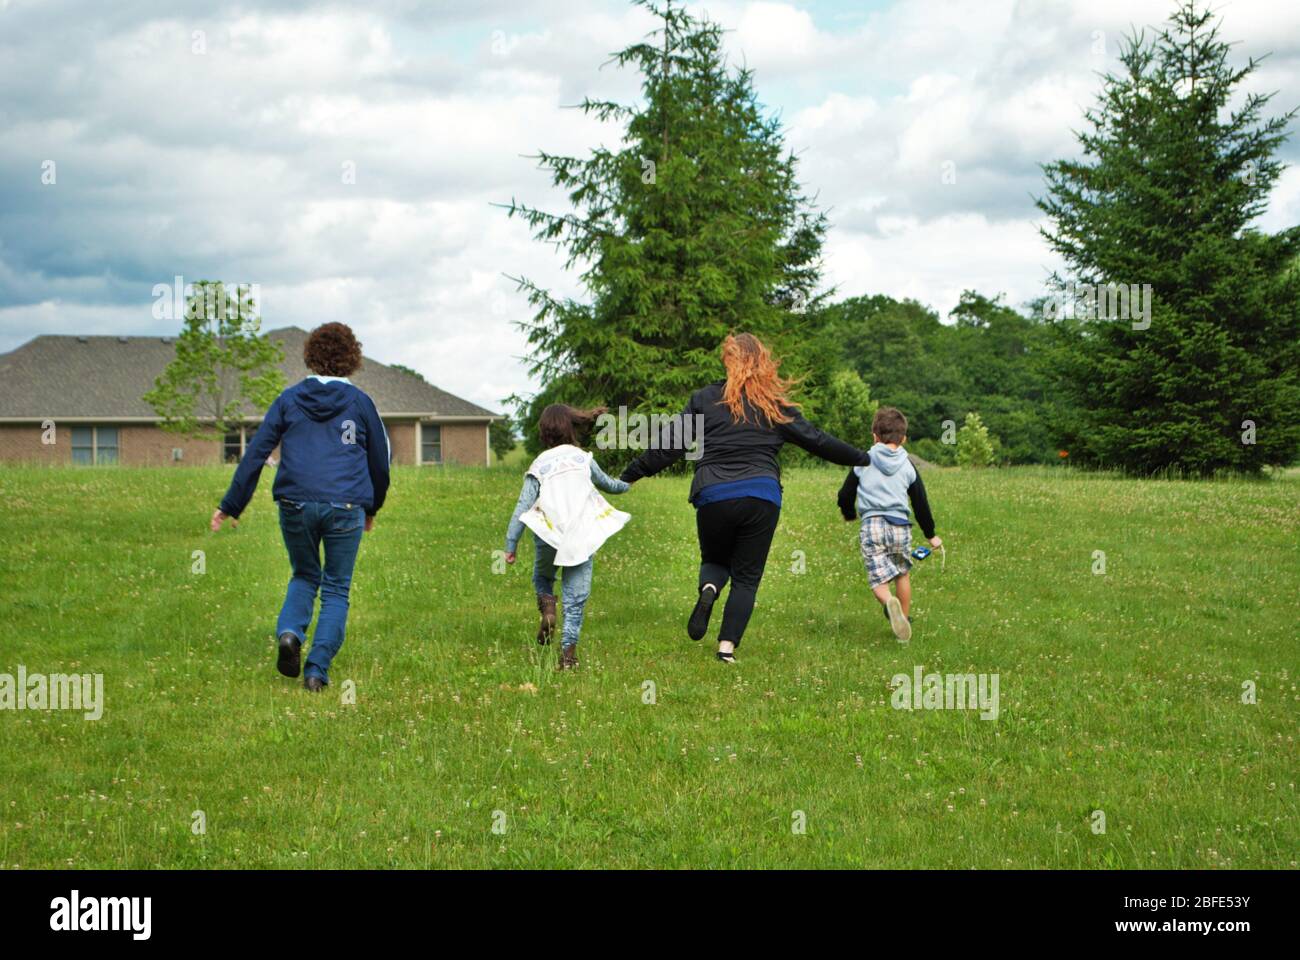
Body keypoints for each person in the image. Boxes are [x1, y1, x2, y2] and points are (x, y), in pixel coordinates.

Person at [620, 332, 870, 663]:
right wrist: (864, 458)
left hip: (713, 493)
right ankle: (726, 649)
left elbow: (671, 446)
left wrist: (630, 475)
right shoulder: (775, 405)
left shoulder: (705, 399)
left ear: (728, 361)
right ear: (763, 363)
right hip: (761, 495)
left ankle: (709, 590)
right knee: (747, 577)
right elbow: (819, 442)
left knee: (715, 560)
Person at [210, 322, 390, 691]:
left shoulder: (289, 400)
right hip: (345, 504)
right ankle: (315, 671)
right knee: (336, 588)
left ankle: (290, 633)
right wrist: (372, 507)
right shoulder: (360, 403)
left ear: (310, 356)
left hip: (294, 503)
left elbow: (256, 454)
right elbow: (379, 462)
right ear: (352, 359)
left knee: (305, 575)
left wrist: (232, 504)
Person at [504, 404, 630, 670]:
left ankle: (548, 608)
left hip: (548, 533)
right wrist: (628, 483)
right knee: (575, 598)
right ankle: (568, 656)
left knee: (542, 576)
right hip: (579, 536)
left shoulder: (540, 463)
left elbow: (523, 504)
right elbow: (609, 485)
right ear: (571, 427)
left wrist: (511, 544)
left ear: (545, 432)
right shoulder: (582, 458)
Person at [836, 406, 941, 643]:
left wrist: (849, 512)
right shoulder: (908, 466)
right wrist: (930, 534)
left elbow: (844, 494)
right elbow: (920, 502)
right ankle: (903, 619)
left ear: (874, 436)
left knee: (878, 579)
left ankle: (888, 601)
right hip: (900, 526)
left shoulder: (863, 461)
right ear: (903, 438)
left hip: (872, 525)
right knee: (902, 573)